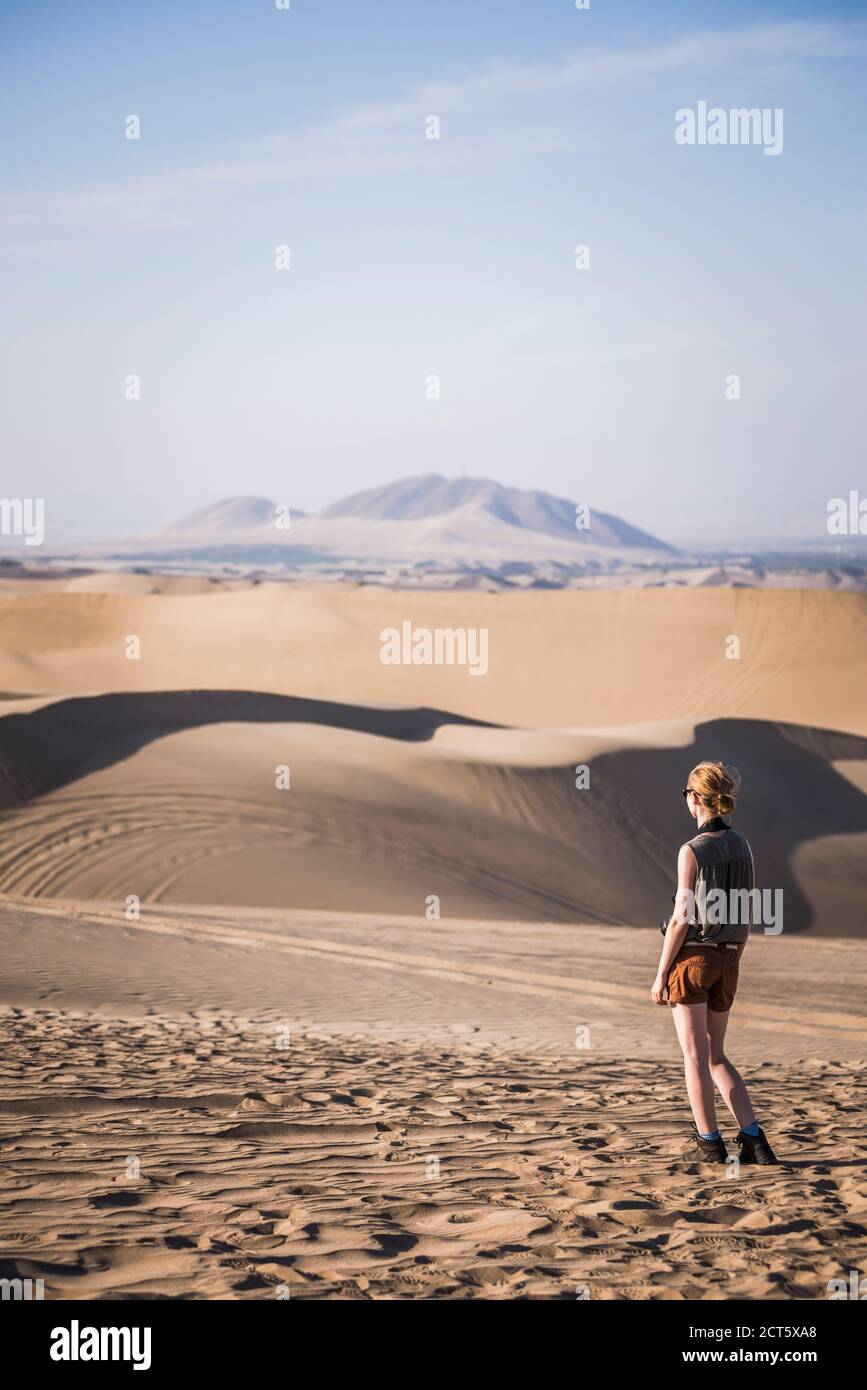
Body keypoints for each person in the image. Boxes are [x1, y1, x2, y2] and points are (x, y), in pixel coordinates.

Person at [651, 761, 778, 1166]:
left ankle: (710, 1143)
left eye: (686, 794)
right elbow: (748, 907)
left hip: (692, 961)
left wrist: (659, 976)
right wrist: (734, 956)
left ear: (695, 798)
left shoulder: (692, 850)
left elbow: (680, 918)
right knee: (716, 1056)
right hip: (729, 959)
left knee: (693, 1056)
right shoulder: (743, 844)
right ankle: (755, 1138)